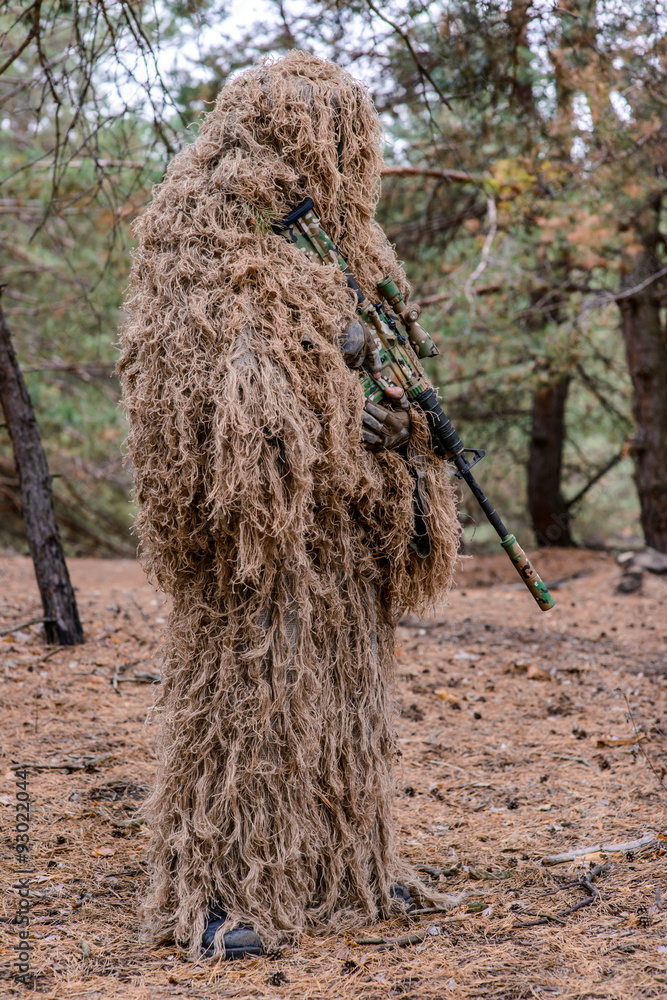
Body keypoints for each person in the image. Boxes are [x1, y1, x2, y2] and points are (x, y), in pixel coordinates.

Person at [118, 50, 459, 960]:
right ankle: (220, 893)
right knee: (248, 710)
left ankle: (340, 873)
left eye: (347, 131)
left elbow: (402, 370)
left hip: (347, 533)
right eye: (319, 130)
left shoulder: (355, 246)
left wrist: (401, 433)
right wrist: (335, 400)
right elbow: (209, 384)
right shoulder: (205, 234)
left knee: (344, 707)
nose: (338, 151)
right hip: (259, 538)